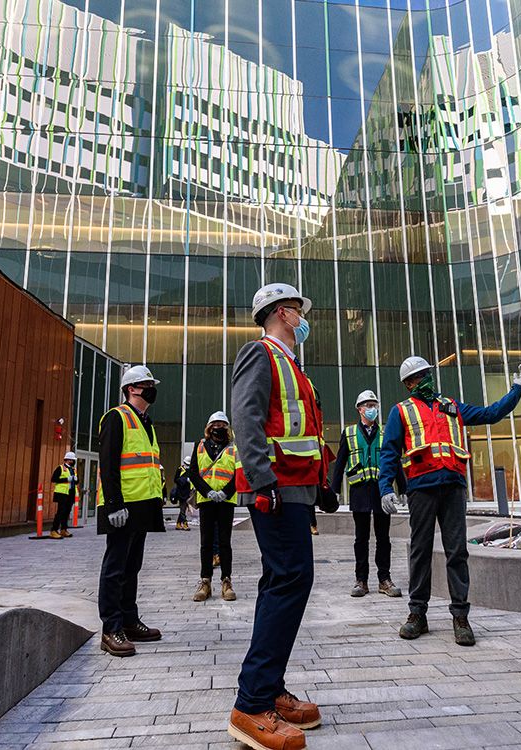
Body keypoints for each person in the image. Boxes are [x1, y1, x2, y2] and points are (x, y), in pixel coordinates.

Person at [227, 283, 326, 750]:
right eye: (300, 313)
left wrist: (321, 485)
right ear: (285, 314)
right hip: (276, 488)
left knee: (284, 581)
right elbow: (245, 418)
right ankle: (251, 705)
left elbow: (303, 431)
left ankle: (268, 691)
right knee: (290, 579)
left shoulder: (293, 366)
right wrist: (263, 481)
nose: (304, 321)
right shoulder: (261, 353)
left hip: (295, 488)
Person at [378, 355, 521, 645]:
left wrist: (517, 388)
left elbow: (491, 414)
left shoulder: (452, 406)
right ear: (408, 383)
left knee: (456, 552)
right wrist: (386, 487)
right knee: (420, 551)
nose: (426, 379)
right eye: (419, 376)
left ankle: (460, 616)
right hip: (421, 489)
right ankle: (417, 614)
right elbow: (389, 452)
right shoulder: (401, 411)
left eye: (427, 373)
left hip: (452, 488)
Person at [96, 364, 166, 658]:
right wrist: (114, 504)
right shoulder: (117, 417)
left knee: (131, 566)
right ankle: (111, 628)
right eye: (146, 384)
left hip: (141, 505)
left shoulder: (145, 421)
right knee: (115, 568)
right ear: (131, 389)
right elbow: (108, 464)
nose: (151, 389)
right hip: (122, 507)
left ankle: (128, 619)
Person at [331, 390, 403, 598]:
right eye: (368, 405)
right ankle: (361, 580)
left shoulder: (386, 432)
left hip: (382, 492)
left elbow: (394, 460)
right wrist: (334, 491)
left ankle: (384, 580)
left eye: (374, 405)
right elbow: (340, 462)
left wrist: (404, 488)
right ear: (359, 409)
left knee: (384, 538)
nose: (372, 409)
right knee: (361, 538)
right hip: (360, 492)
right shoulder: (349, 433)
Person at [188, 411, 238, 603]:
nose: (218, 427)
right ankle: (205, 581)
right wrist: (208, 491)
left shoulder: (233, 448)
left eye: (222, 424)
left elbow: (238, 474)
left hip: (226, 500)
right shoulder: (199, 446)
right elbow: (193, 472)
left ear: (227, 428)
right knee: (206, 542)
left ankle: (227, 581)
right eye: (215, 423)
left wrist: (225, 492)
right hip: (206, 500)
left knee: (225, 542)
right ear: (209, 427)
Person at [49, 451, 79, 539]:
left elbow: (76, 482)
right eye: (73, 460)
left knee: (67, 512)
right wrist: (67, 479)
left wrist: (76, 480)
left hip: (70, 493)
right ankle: (54, 530)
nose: (74, 462)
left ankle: (63, 529)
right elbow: (53, 479)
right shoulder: (60, 468)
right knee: (60, 512)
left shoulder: (73, 470)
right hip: (62, 493)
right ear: (69, 460)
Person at [171, 456, 193, 530]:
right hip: (181, 492)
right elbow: (175, 479)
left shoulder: (190, 470)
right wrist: (184, 480)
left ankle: (178, 524)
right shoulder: (180, 469)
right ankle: (185, 523)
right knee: (183, 508)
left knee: (183, 508)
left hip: (188, 492)